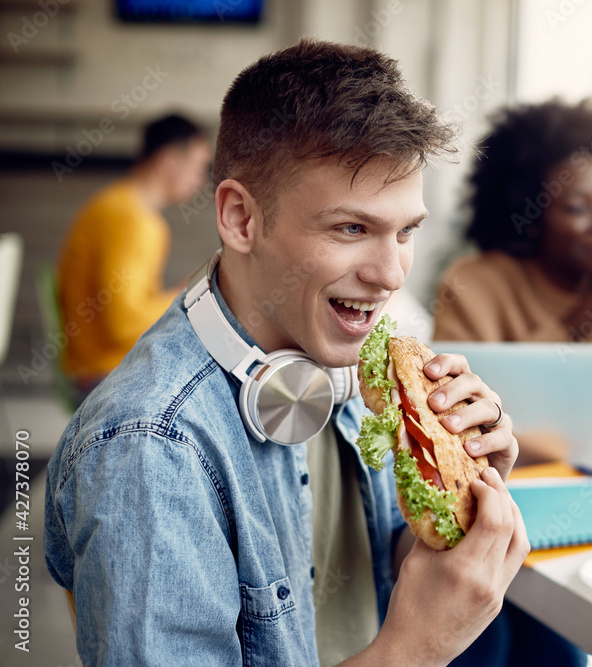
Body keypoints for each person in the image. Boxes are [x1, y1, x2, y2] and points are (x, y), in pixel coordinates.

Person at [44, 39, 528, 666]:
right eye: (352, 228)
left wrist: (461, 489)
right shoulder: (147, 451)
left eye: (406, 230)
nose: (390, 275)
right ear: (241, 219)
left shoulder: (342, 364)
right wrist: (414, 652)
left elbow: (365, 579)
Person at [433, 99, 592, 357]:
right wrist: (575, 326)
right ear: (530, 215)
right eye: (577, 208)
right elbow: (454, 393)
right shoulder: (474, 286)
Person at [56, 113, 212, 405]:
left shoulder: (112, 204)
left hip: (92, 369)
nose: (201, 181)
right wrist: (189, 293)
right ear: (168, 161)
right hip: (104, 376)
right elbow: (124, 325)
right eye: (199, 167)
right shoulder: (132, 220)